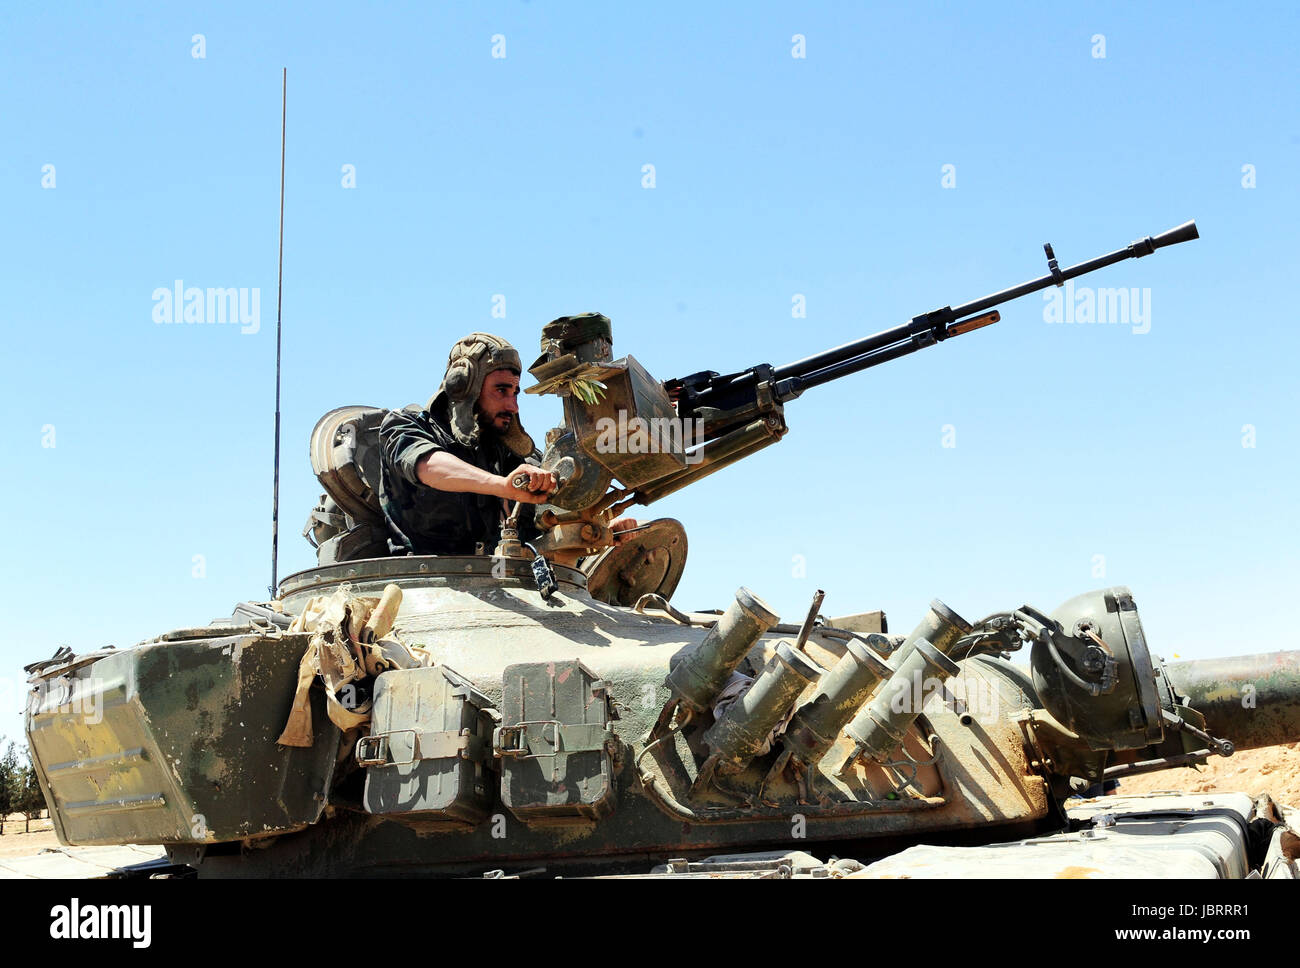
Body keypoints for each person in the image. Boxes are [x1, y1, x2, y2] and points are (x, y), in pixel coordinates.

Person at [378, 332, 636, 556]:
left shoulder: (508, 456)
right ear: (463, 386)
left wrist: (598, 528)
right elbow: (428, 466)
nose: (512, 406)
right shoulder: (405, 425)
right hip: (422, 587)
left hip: (500, 586)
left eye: (514, 393)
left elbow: (547, 519)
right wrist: (502, 486)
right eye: (501, 391)